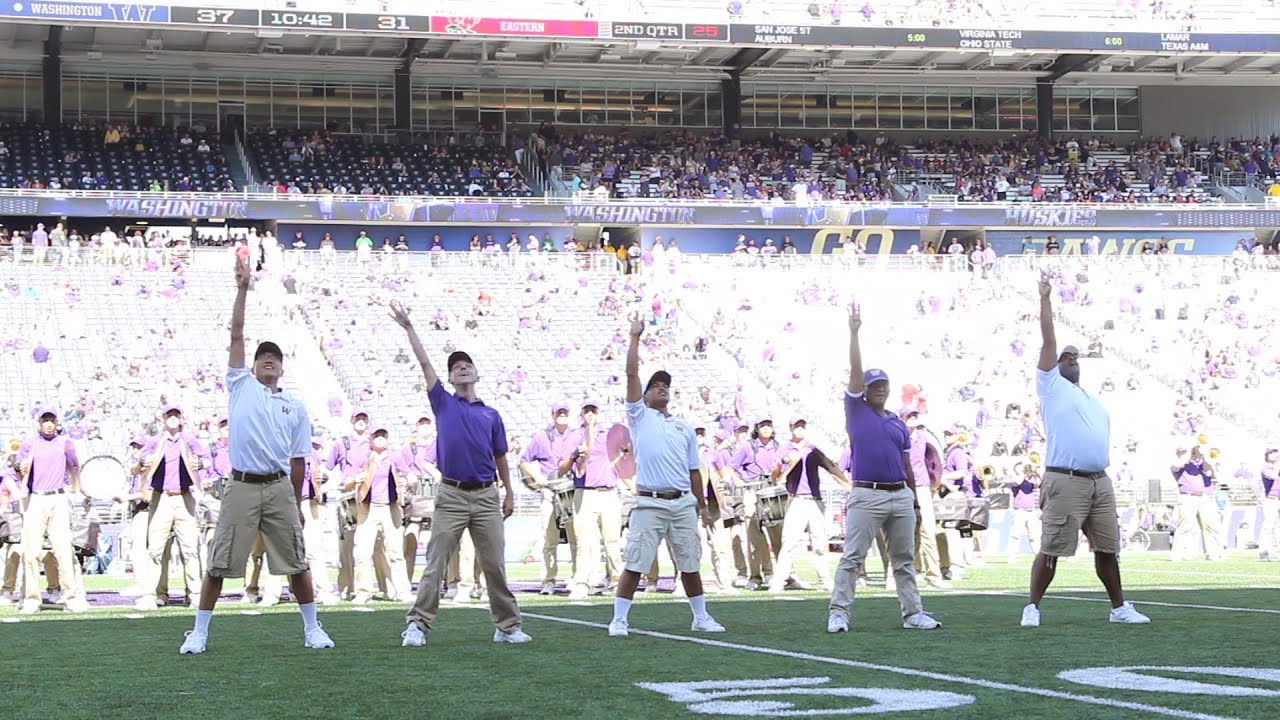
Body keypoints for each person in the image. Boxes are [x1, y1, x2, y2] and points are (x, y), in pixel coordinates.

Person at [180, 257, 334, 654]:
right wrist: (243, 288)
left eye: (275, 356)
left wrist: (297, 500)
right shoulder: (240, 386)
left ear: (282, 367)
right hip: (242, 484)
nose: (268, 359)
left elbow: (300, 459)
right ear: (251, 366)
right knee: (220, 562)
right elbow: (236, 333)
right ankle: (199, 632)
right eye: (262, 355)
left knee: (297, 561)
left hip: (279, 486)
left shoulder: (295, 407)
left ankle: (312, 628)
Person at [391, 300, 530, 648]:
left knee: (494, 564)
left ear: (476, 374)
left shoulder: (491, 415)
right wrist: (409, 328)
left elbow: (500, 456)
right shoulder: (443, 403)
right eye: (456, 367)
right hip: (451, 494)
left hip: (485, 495)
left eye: (467, 365)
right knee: (436, 561)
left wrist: (509, 492)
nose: (462, 369)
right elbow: (425, 363)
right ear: (450, 378)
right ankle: (417, 624)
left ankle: (507, 626)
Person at [1021, 271, 1149, 628]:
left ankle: (1119, 607)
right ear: (1054, 364)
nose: (1072, 358)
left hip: (1099, 480)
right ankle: (1032, 606)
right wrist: (1045, 299)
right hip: (1067, 478)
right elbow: (1048, 339)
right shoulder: (1050, 386)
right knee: (1052, 547)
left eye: (1075, 355)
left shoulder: (1088, 397)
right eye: (1066, 356)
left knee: (1109, 547)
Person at [608, 316, 725, 638]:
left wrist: (702, 506)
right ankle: (619, 618)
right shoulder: (639, 416)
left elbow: (693, 470)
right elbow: (632, 373)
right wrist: (634, 336)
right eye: (656, 385)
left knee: (689, 561)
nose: (662, 388)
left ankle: (700, 616)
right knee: (636, 561)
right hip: (649, 500)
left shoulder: (683, 427)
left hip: (682, 502)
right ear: (644, 396)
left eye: (666, 386)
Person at [828, 303, 940, 633]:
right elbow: (854, 369)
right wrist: (854, 332)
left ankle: (913, 613)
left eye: (883, 385)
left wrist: (914, 497)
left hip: (899, 494)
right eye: (874, 385)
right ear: (864, 390)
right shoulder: (856, 410)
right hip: (866, 492)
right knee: (853, 556)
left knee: (904, 559)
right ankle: (839, 612)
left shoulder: (897, 423)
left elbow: (906, 461)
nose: (880, 389)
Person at [133, 405, 210, 611]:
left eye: (176, 415)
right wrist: (144, 460)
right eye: (170, 415)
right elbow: (138, 460)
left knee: (190, 548)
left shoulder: (189, 439)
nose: (173, 419)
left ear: (181, 418)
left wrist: (200, 464)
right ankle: (154, 594)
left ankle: (194, 594)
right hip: (162, 498)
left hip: (184, 497)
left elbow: (207, 458)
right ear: (163, 418)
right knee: (156, 549)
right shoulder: (155, 441)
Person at [15, 407, 88, 614]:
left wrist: (76, 491)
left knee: (63, 550)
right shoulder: (30, 443)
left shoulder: (64, 443)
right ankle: (31, 597)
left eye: (51, 420)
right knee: (31, 551)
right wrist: (21, 469)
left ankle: (70, 596)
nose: (48, 424)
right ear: (39, 423)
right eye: (45, 420)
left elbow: (75, 466)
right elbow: (18, 468)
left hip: (58, 497)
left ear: (56, 423)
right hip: (35, 497)